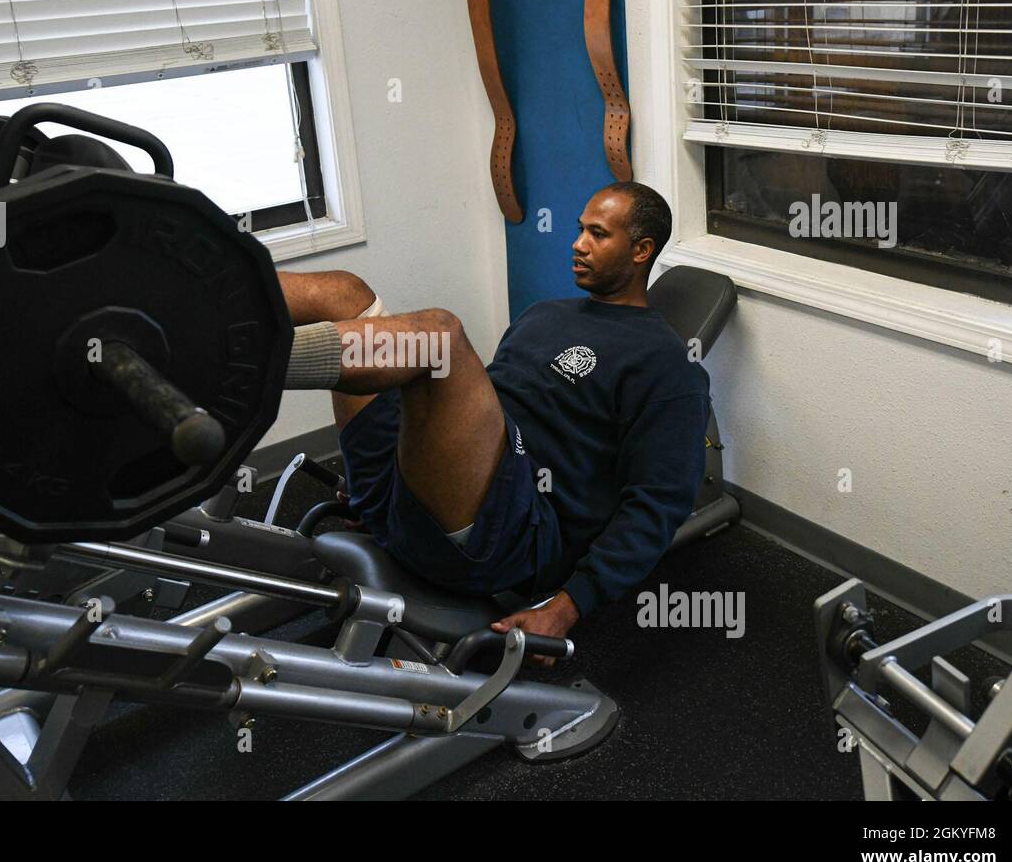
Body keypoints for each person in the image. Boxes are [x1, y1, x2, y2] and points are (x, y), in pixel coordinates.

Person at [276, 181, 710, 643]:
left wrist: (569, 604)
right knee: (343, 292)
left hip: (506, 530)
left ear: (641, 250)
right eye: (579, 229)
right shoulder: (546, 313)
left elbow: (658, 503)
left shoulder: (667, 366)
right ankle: (210, 310)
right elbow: (480, 408)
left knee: (440, 337)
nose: (577, 244)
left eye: (598, 235)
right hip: (425, 492)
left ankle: (240, 364)